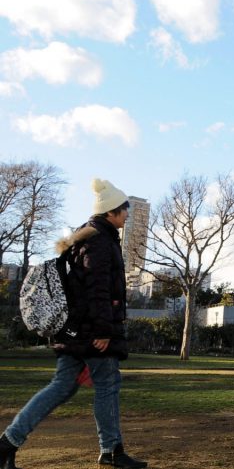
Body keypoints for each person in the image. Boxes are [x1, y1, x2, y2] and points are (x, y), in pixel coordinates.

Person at [0, 179, 147, 469]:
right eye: (124, 210)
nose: (127, 215)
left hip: (76, 329)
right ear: (110, 212)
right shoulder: (100, 243)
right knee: (107, 384)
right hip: (93, 331)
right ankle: (111, 452)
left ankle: (7, 443)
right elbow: (97, 290)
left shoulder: (88, 238)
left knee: (61, 387)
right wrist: (104, 330)